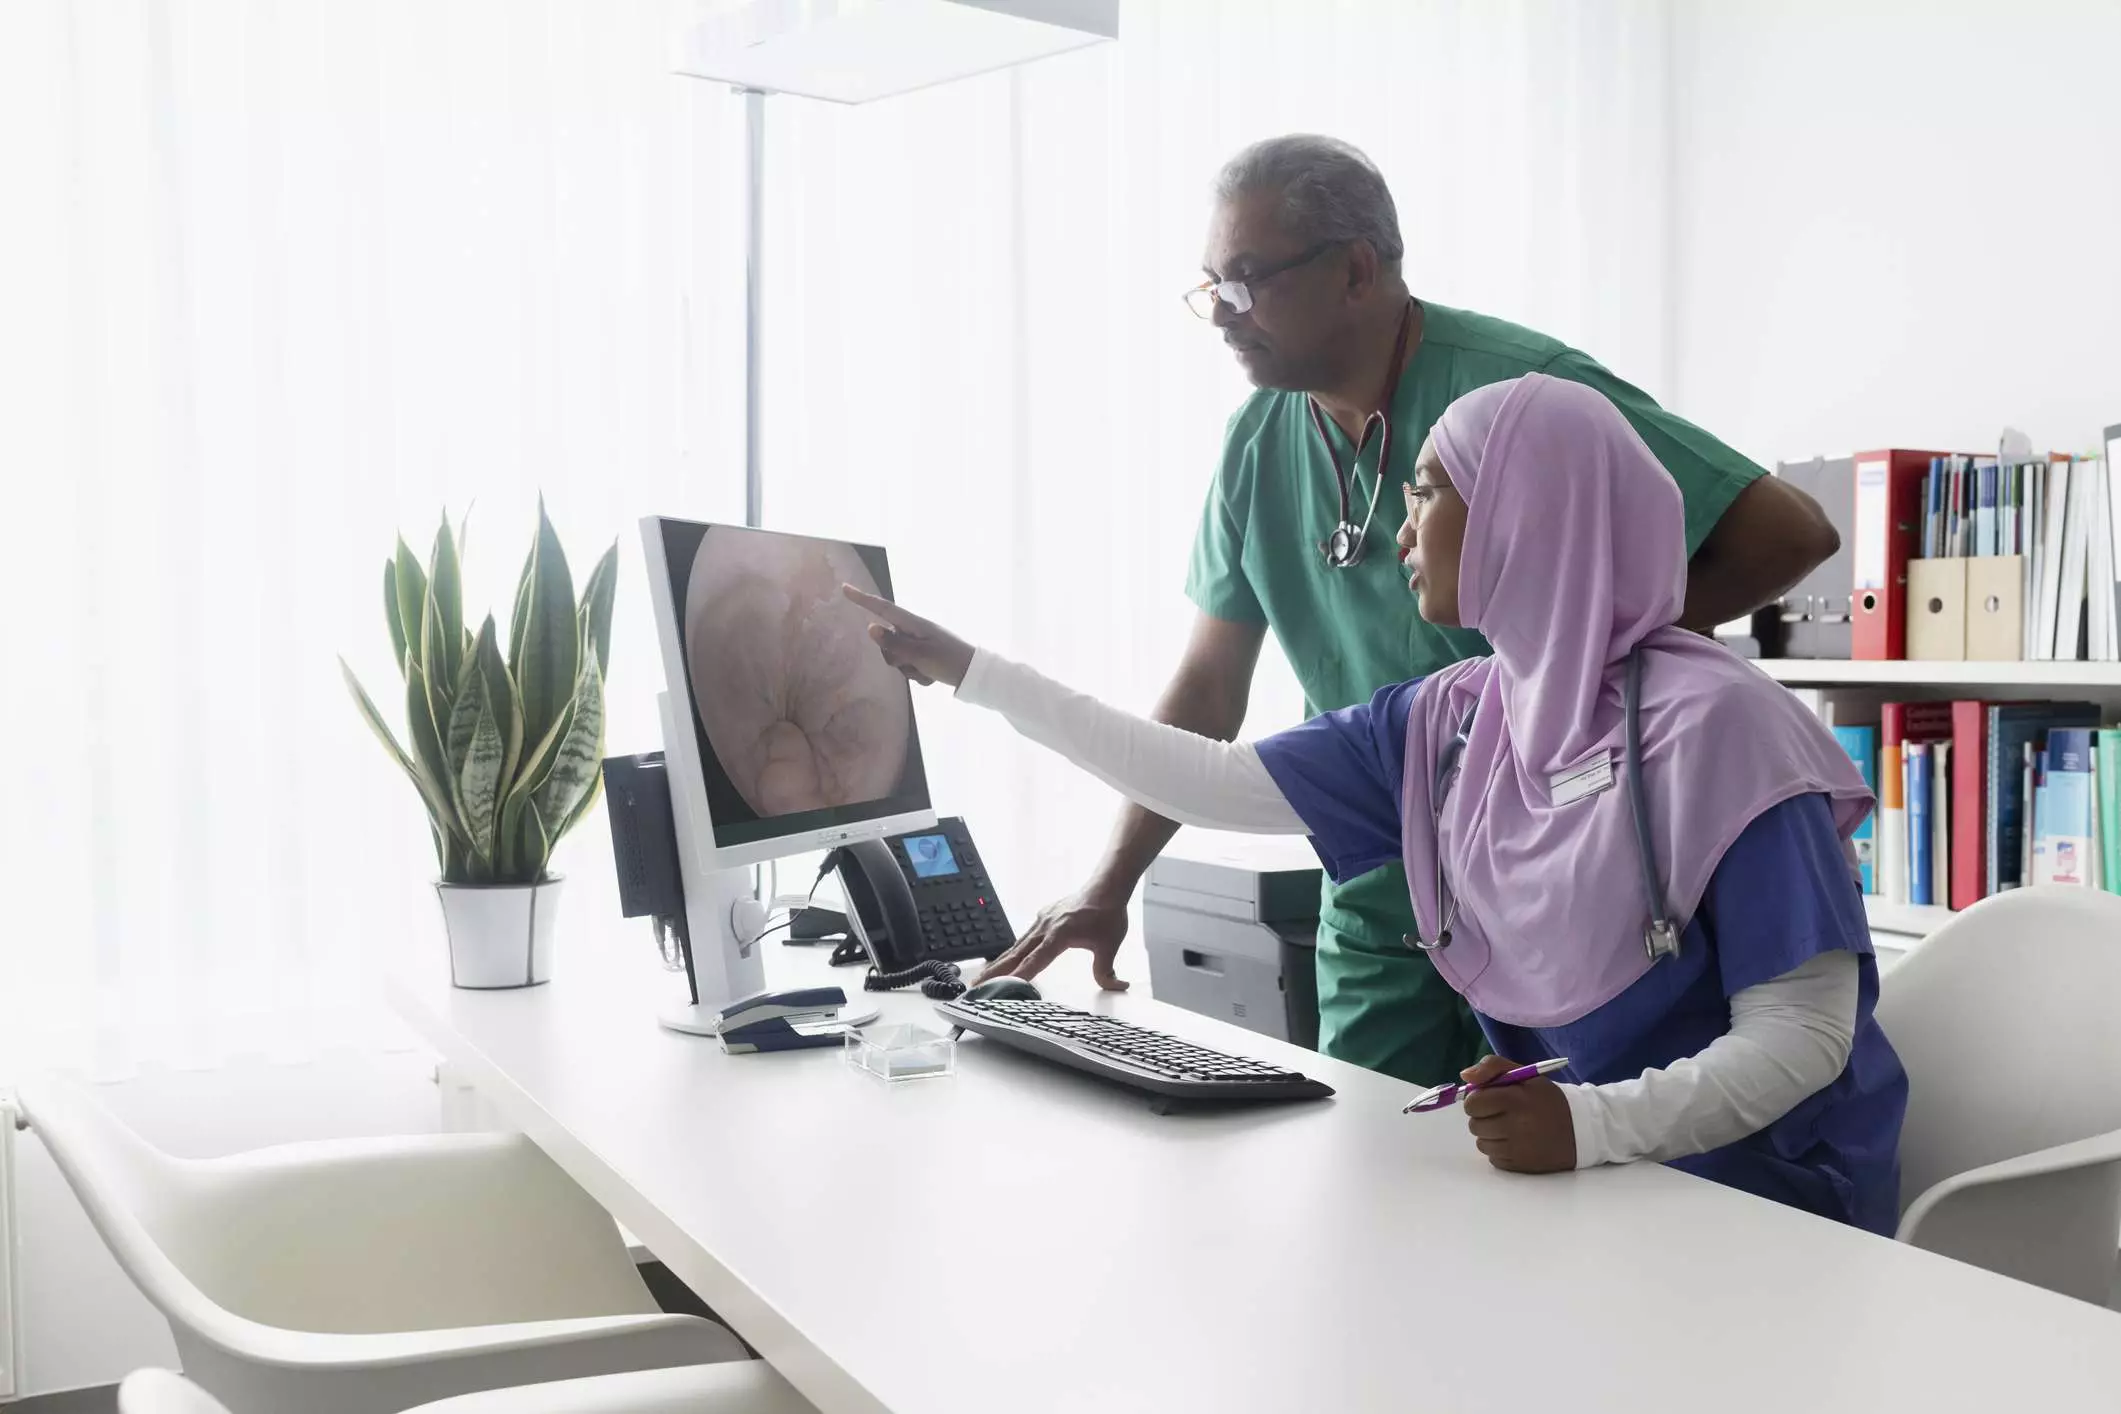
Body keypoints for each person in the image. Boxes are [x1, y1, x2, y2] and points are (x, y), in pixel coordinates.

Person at [843, 373, 1908, 1233]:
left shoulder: (1726, 726)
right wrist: (972, 672)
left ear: (1527, 514)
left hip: (1766, 1202)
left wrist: (1588, 1123)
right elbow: (1209, 779)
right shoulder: (1452, 715)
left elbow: (1801, 1037)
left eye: (1434, 490)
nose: (1404, 520)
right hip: (1605, 1179)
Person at [983, 134, 1840, 1088]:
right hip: (1385, 888)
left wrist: (1575, 649)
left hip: (1552, 889)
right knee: (1366, 1179)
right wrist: (1110, 885)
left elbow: (1786, 534)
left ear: (1355, 269)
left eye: (1248, 280)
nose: (1223, 314)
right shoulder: (1259, 440)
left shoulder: (1517, 398)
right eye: (1212, 285)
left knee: (1573, 1190)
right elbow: (1209, 686)